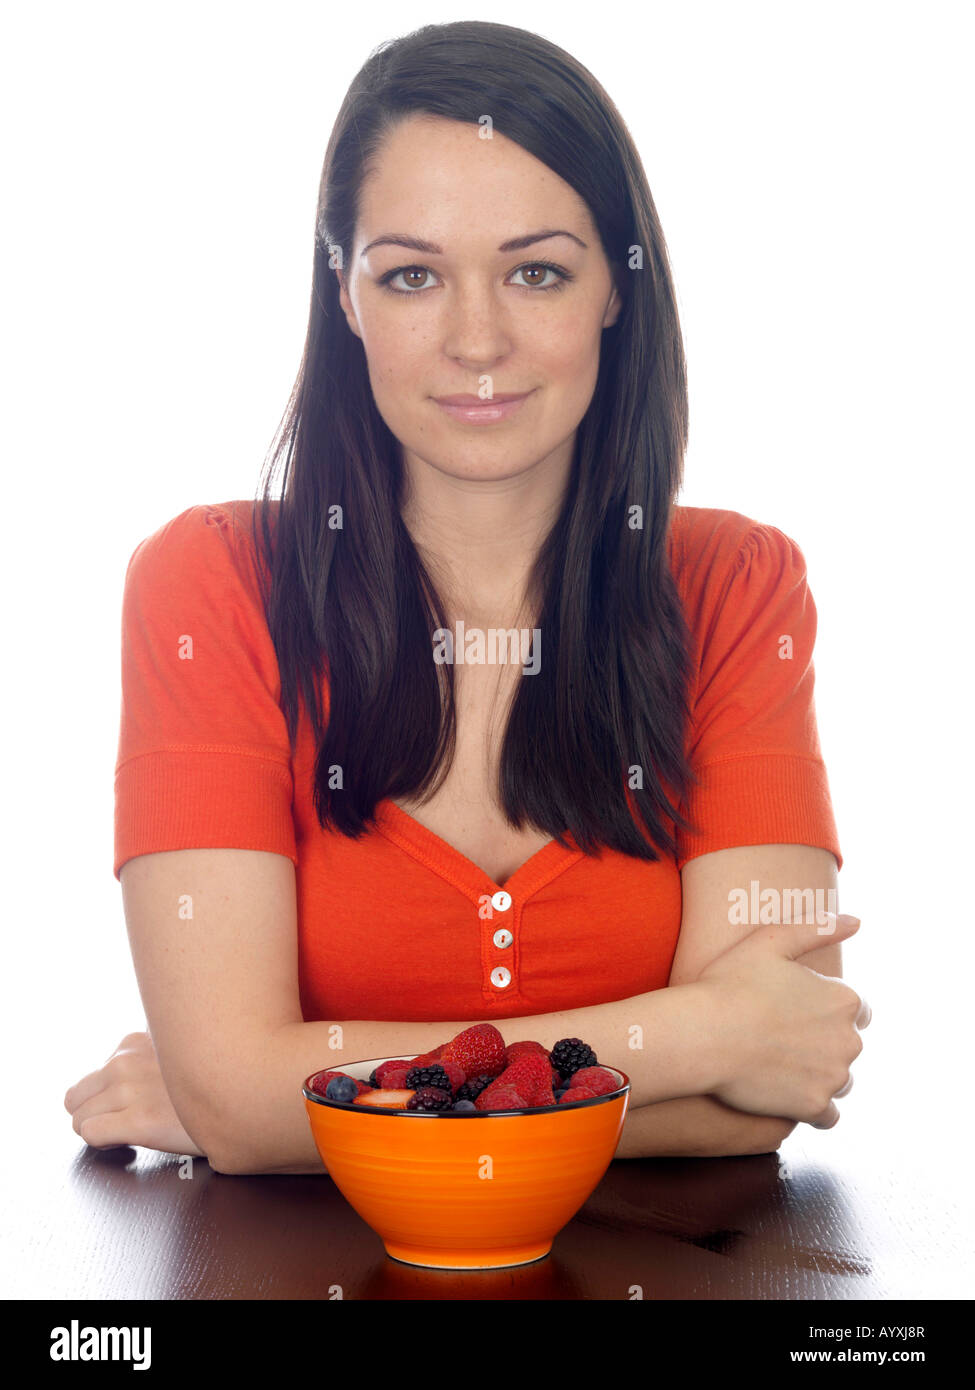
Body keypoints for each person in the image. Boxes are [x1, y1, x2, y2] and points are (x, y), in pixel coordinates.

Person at [64, 20, 869, 1175]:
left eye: (536, 269)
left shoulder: (739, 590)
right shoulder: (207, 586)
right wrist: (694, 1035)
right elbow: (240, 1105)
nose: (477, 340)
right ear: (344, 295)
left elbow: (758, 1101)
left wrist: (304, 1109)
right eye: (411, 275)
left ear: (616, 292)